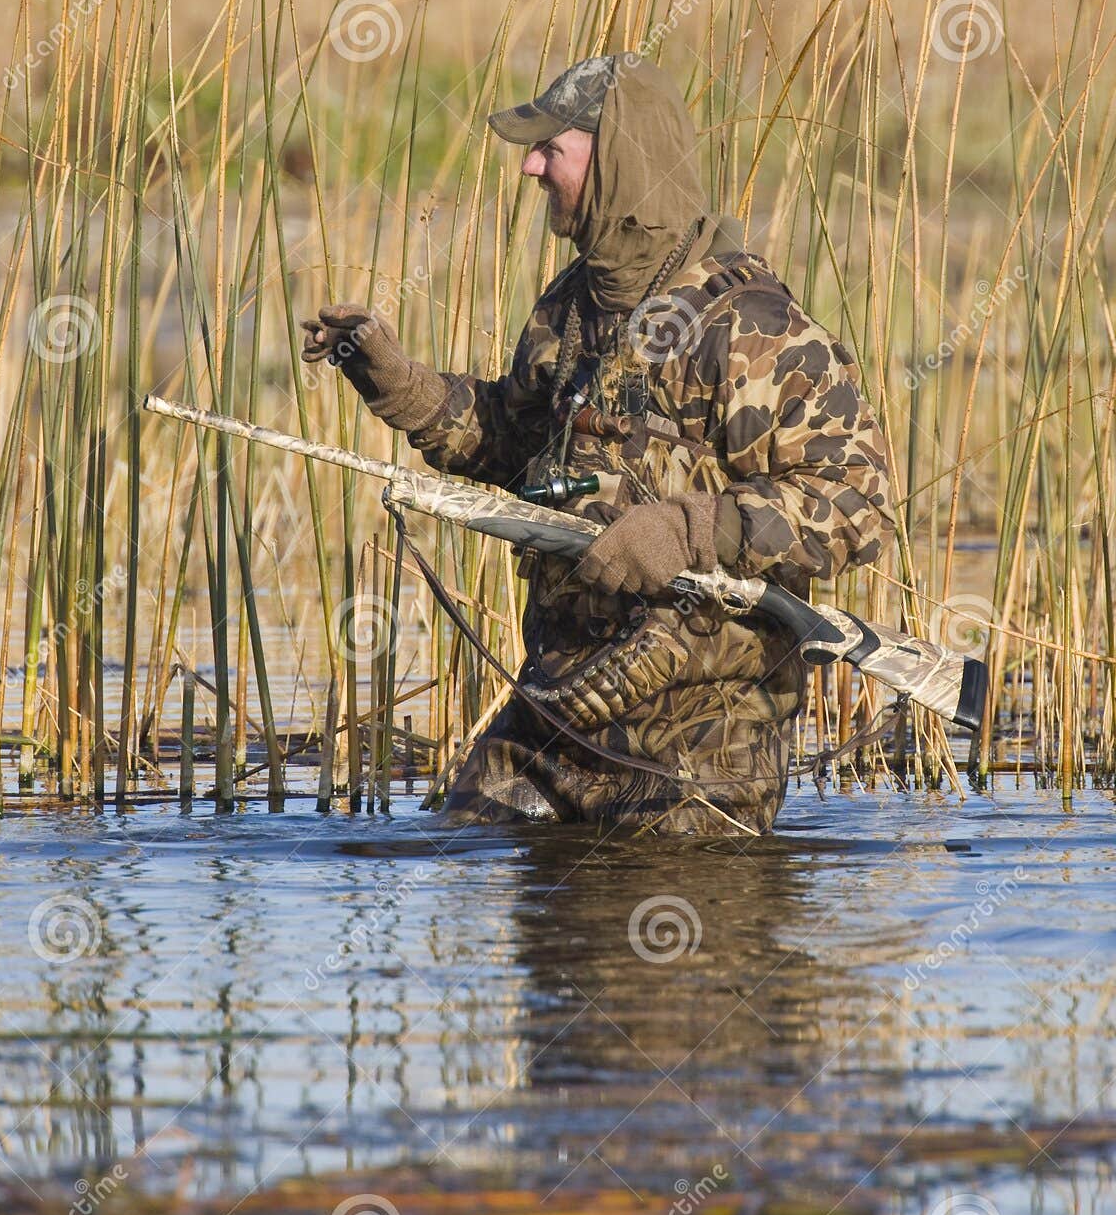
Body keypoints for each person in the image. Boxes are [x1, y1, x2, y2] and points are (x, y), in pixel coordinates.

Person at [301, 54, 894, 833]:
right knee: (454, 850)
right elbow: (514, 450)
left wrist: (692, 528)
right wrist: (399, 383)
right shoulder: (570, 306)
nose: (529, 166)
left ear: (620, 155)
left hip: (699, 748)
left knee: (639, 924)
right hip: (558, 712)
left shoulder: (754, 329)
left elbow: (856, 504)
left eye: (554, 146)